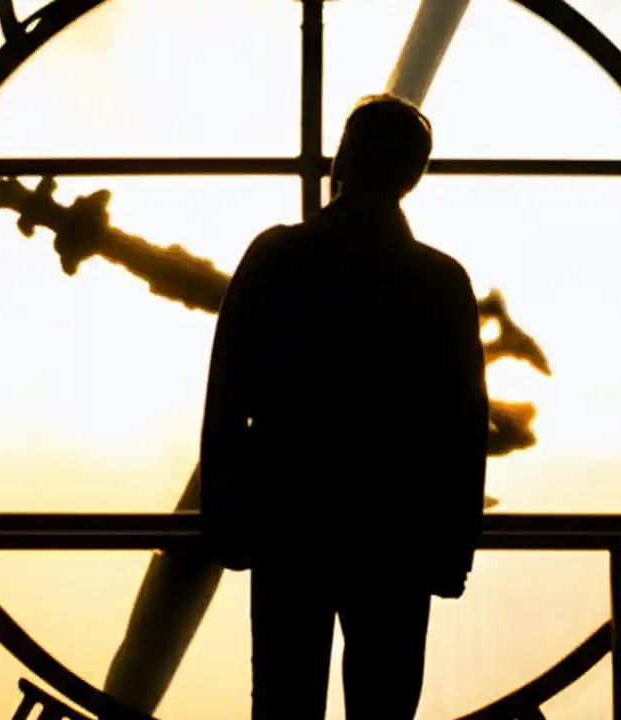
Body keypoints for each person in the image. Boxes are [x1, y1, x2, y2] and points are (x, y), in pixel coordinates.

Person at [199, 94, 489, 720]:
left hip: (291, 520)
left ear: (343, 159)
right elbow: (462, 428)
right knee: (385, 703)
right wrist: (453, 547)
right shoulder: (441, 281)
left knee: (284, 702)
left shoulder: (276, 257)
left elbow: (228, 396)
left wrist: (223, 518)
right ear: (414, 175)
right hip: (398, 532)